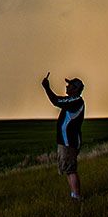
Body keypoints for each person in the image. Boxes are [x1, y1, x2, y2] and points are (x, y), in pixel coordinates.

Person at [41, 71, 85, 201]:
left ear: (75, 89)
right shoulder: (73, 101)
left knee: (71, 169)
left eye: (69, 85)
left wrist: (47, 88)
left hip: (69, 142)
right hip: (67, 142)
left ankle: (76, 196)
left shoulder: (76, 100)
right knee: (68, 169)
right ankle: (74, 195)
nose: (66, 86)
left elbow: (56, 101)